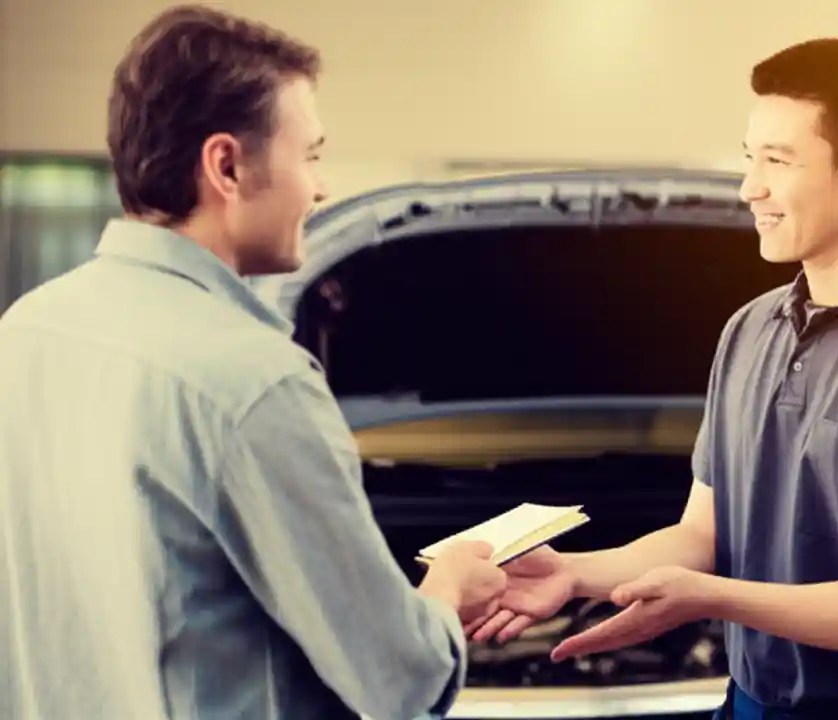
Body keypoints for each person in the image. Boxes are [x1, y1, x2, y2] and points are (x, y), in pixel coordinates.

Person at [470, 38, 838, 718]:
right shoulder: (749, 332)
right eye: (749, 158)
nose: (750, 188)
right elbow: (704, 537)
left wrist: (716, 598)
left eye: (778, 160)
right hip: (748, 705)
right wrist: (576, 573)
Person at [0, 6, 504, 719]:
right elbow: (400, 677)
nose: (321, 188)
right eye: (313, 155)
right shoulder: (256, 383)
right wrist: (450, 588)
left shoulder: (25, 334)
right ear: (227, 166)